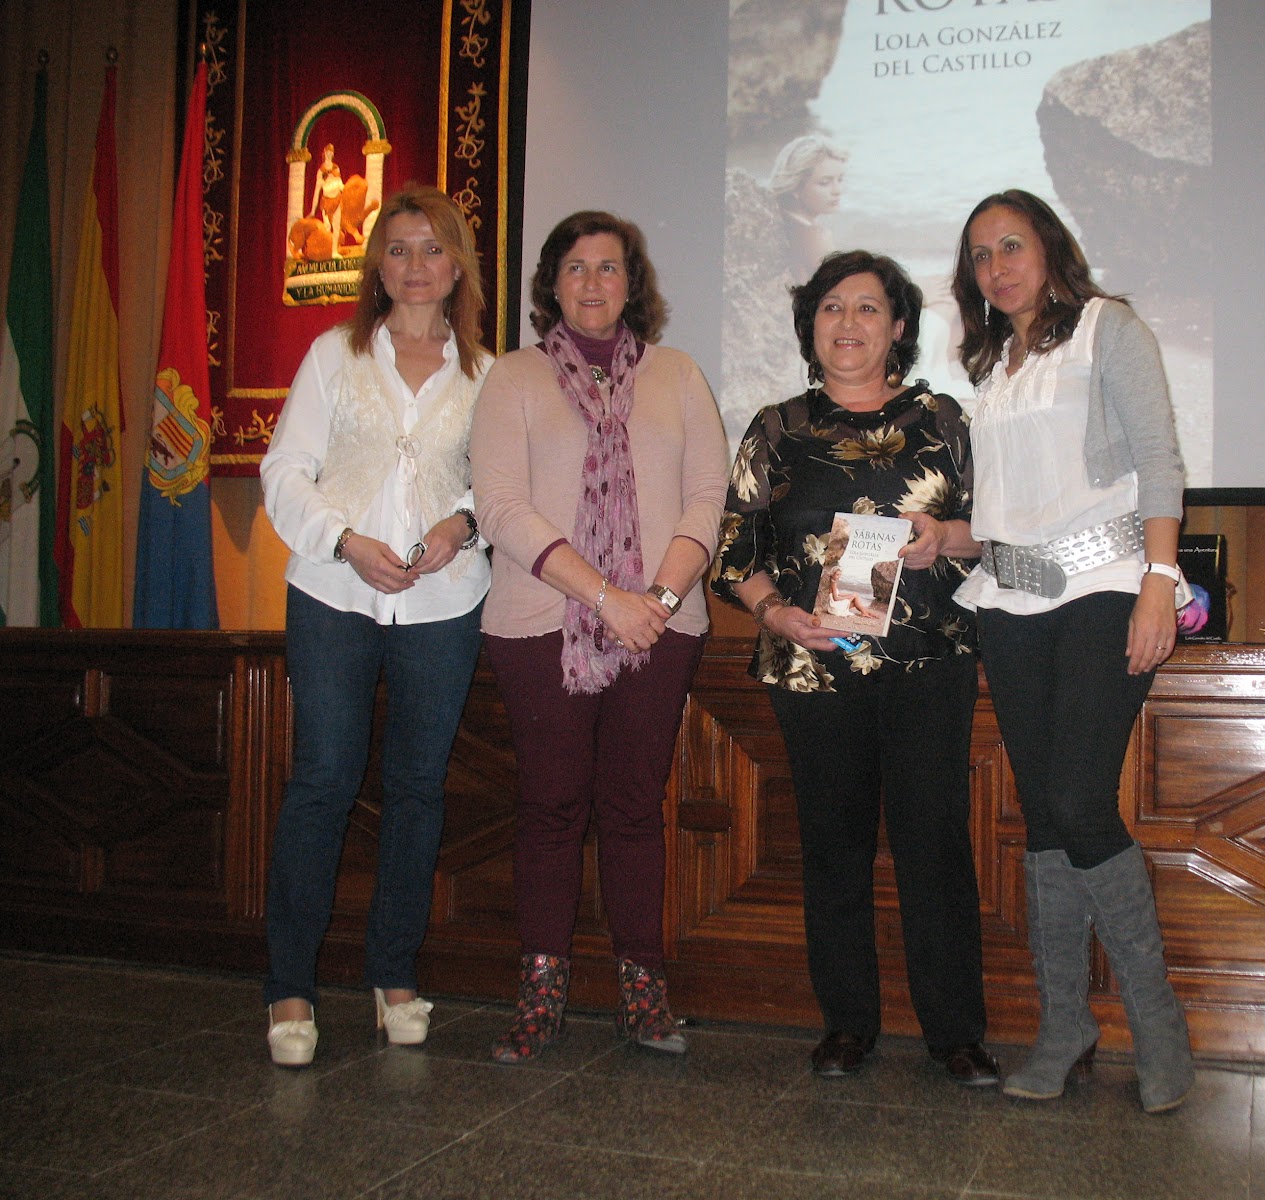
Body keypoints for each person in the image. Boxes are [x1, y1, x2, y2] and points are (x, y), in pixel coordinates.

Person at [712, 249, 998, 1086]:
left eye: (868, 308)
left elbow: (998, 528)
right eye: (832, 307)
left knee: (933, 844)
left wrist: (943, 536)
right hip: (814, 667)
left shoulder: (942, 419)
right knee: (833, 847)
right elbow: (736, 552)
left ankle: (956, 1033)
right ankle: (847, 1024)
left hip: (927, 663)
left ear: (900, 326)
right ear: (811, 324)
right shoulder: (776, 427)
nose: (848, 323)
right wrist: (774, 613)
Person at [949, 188, 1194, 1113]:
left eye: (1013, 245)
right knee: (1045, 814)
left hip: (1104, 592)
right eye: (980, 255)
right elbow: (1014, 507)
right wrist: (947, 536)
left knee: (1079, 800)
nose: (998, 265)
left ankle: (1157, 1024)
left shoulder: (1107, 328)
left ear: (1049, 249)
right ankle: (1064, 1026)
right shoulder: (992, 369)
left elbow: (1158, 461)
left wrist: (1160, 585)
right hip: (1010, 604)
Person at [470, 211, 728, 1060]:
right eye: (575, 267)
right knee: (549, 806)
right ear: (551, 282)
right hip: (541, 622)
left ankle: (642, 995)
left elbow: (705, 501)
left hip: (661, 624)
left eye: (608, 268)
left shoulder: (679, 375)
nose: (591, 283)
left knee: (631, 809)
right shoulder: (511, 378)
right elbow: (501, 506)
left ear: (632, 283)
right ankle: (540, 999)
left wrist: (650, 597)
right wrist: (605, 596)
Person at [260, 185, 491, 1067]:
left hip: (443, 602)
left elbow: (497, 484)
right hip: (333, 594)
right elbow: (287, 471)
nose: (416, 265)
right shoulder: (332, 354)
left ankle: (393, 973)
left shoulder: (487, 371)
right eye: (398, 249)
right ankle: (289, 985)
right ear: (377, 266)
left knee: (417, 789)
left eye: (432, 249)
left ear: (458, 264)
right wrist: (343, 540)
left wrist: (459, 524)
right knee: (321, 780)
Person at [767, 134, 848, 282]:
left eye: (840, 179)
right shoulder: (813, 236)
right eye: (825, 182)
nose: (837, 190)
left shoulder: (783, 218)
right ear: (796, 187)